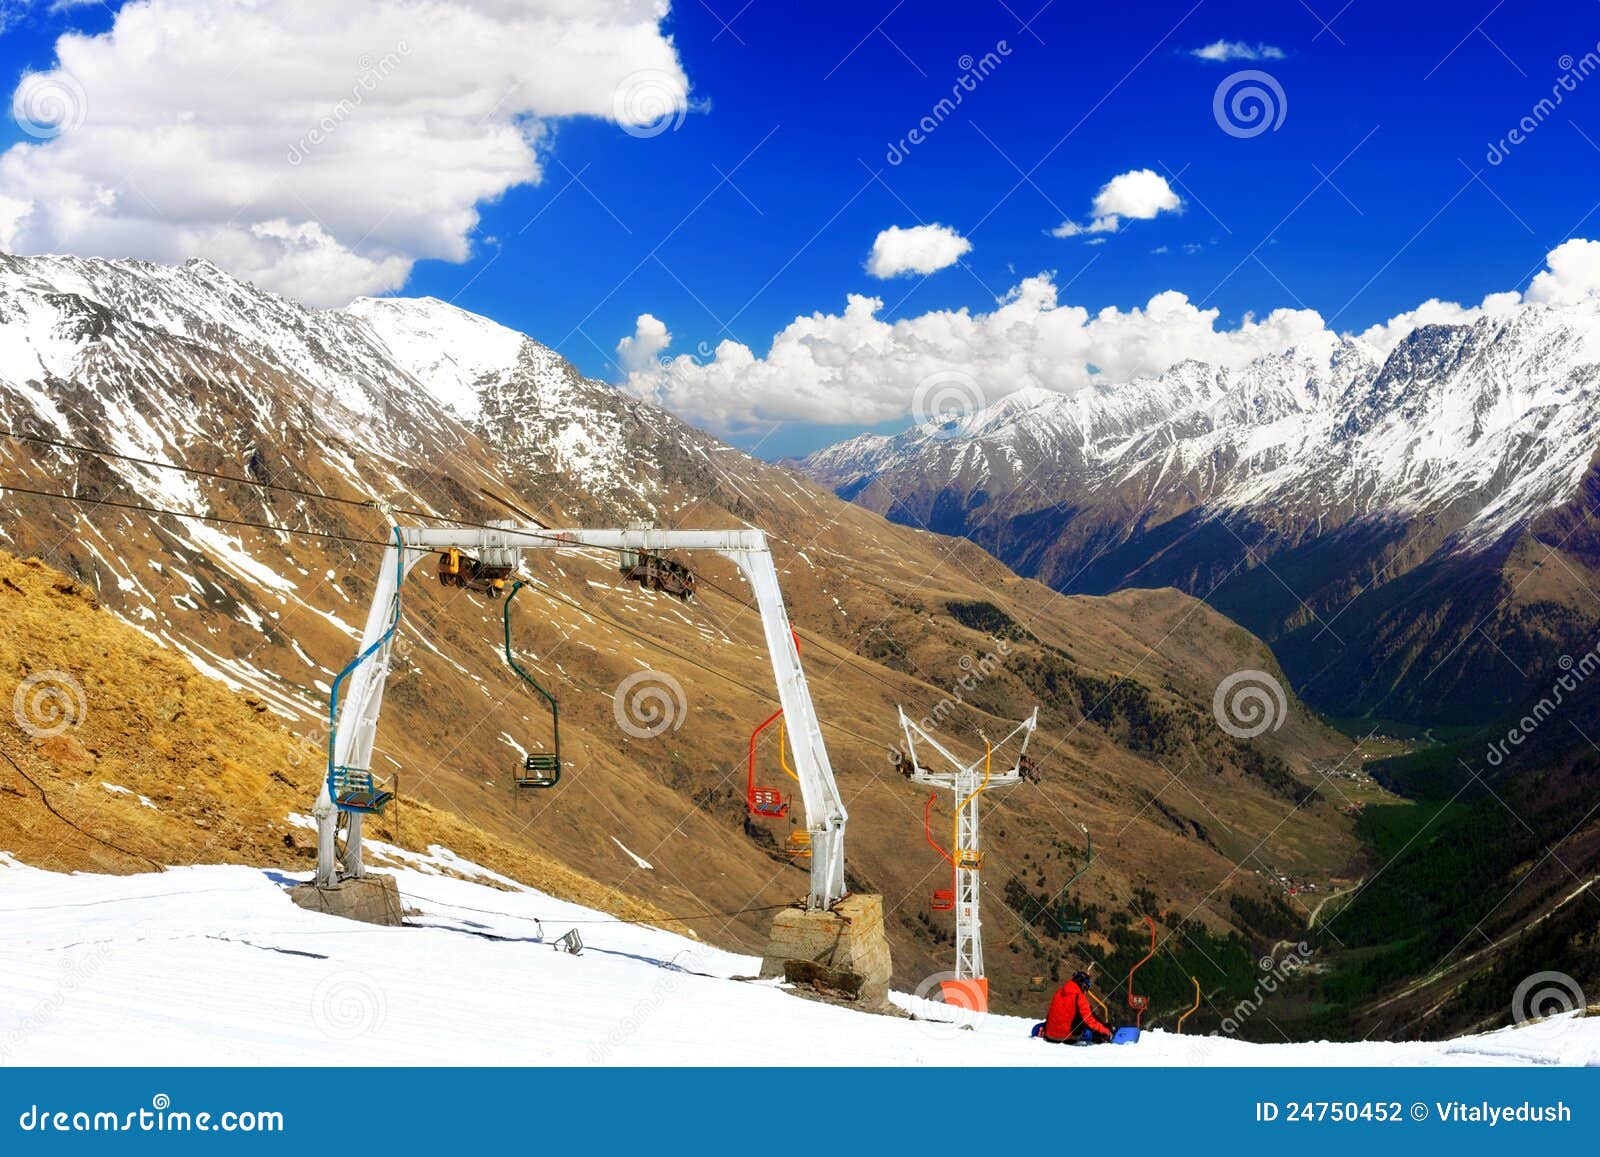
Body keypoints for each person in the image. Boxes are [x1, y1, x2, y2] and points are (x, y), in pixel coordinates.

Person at [1042, 969, 1112, 1044]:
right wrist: (1106, 1031)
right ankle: (1104, 1030)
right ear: (1083, 985)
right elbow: (1089, 1020)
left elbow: (1051, 1014)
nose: (1086, 992)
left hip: (1050, 1036)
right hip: (1067, 1039)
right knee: (1088, 1016)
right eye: (1086, 988)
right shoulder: (1079, 997)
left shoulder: (1058, 992)